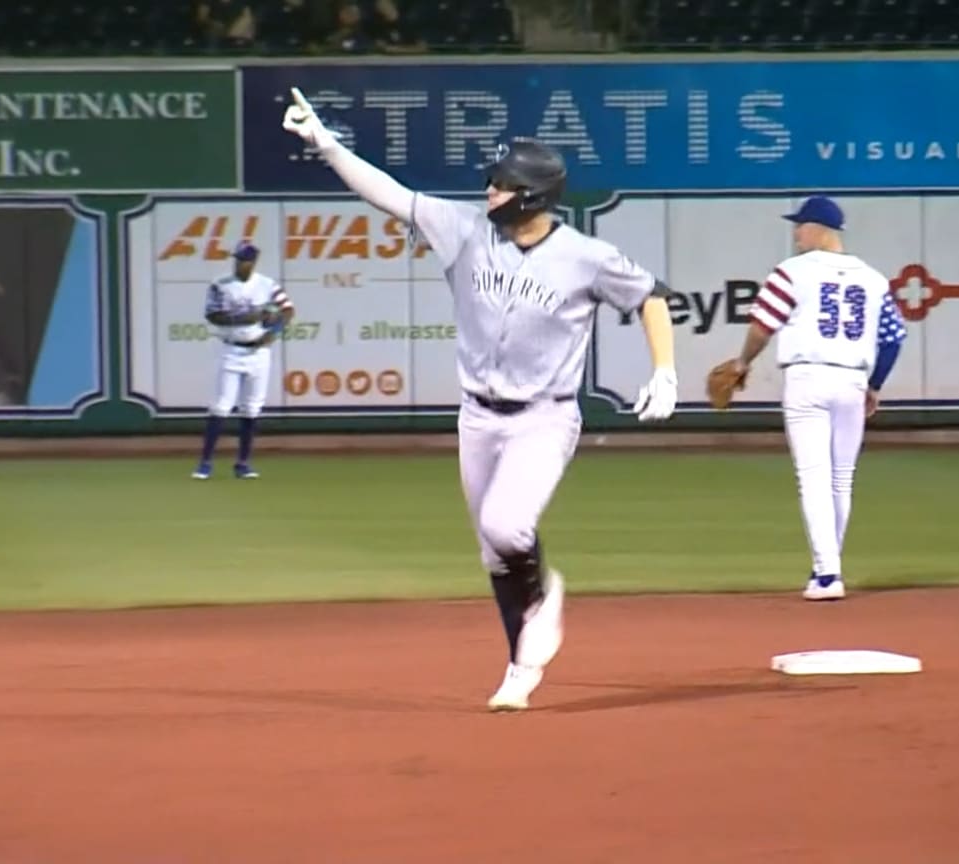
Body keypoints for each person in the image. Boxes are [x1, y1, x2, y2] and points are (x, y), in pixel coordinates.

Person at [280, 88, 680, 711]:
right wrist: (327, 144)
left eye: (499, 184)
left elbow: (652, 295)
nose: (488, 191)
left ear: (532, 195)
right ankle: (519, 666)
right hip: (477, 416)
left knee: (506, 525)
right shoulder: (465, 230)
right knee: (494, 551)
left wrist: (666, 371)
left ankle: (544, 596)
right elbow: (389, 194)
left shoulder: (586, 258)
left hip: (544, 417)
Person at [719, 195, 907, 601]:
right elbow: (894, 338)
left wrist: (743, 362)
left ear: (819, 228)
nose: (795, 232)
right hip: (853, 381)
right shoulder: (873, 279)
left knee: (814, 479)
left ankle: (827, 575)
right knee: (841, 479)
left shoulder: (792, 272)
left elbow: (763, 326)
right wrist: (875, 384)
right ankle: (827, 568)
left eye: (800, 225)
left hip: (808, 378)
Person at [193, 241, 294, 480]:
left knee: (251, 408)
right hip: (231, 350)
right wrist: (254, 316)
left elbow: (288, 311)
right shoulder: (221, 285)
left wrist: (273, 332)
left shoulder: (267, 285)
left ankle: (243, 463)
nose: (239, 263)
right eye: (237, 259)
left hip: (258, 353)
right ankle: (205, 463)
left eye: (244, 259)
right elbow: (214, 315)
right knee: (221, 406)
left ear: (253, 261)